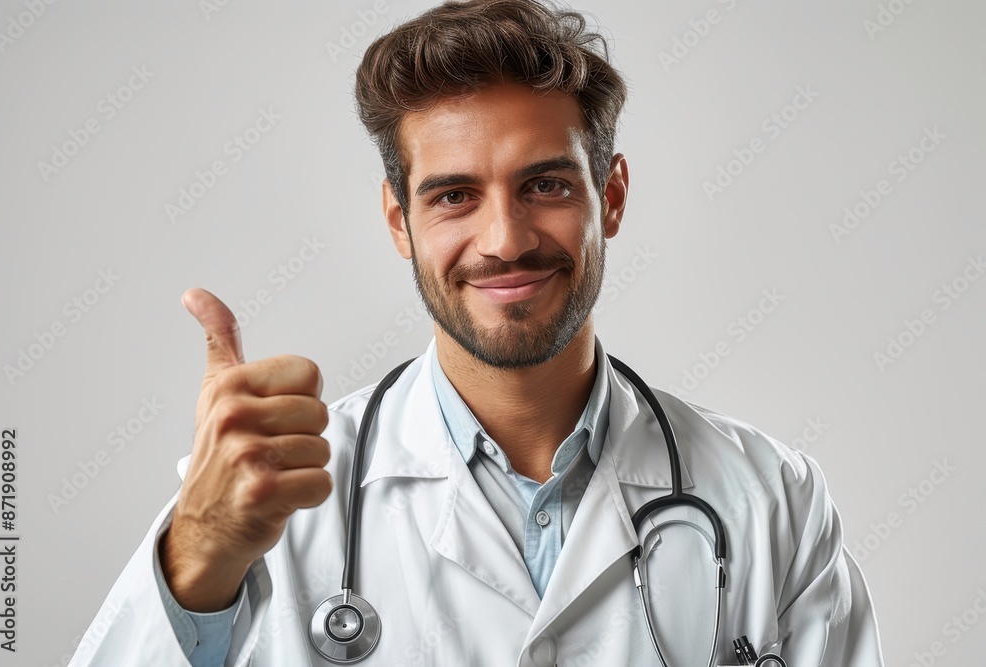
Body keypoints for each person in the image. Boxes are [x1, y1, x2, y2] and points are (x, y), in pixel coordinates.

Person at [69, 1, 885, 665]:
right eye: (454, 195)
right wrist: (200, 551)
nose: (504, 238)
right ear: (400, 221)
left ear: (613, 194)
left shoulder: (772, 496)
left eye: (545, 183)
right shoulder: (272, 501)